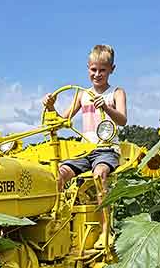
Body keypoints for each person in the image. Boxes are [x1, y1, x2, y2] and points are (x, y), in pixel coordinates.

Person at [42, 44, 127, 191]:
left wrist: (106, 108)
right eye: (93, 69)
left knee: (99, 174)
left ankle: (104, 213)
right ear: (88, 68)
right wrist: (50, 106)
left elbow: (123, 120)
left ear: (112, 69)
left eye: (103, 70)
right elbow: (62, 121)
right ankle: (59, 211)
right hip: (84, 150)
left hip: (106, 150)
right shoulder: (82, 95)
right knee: (58, 175)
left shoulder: (116, 93)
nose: (97, 74)